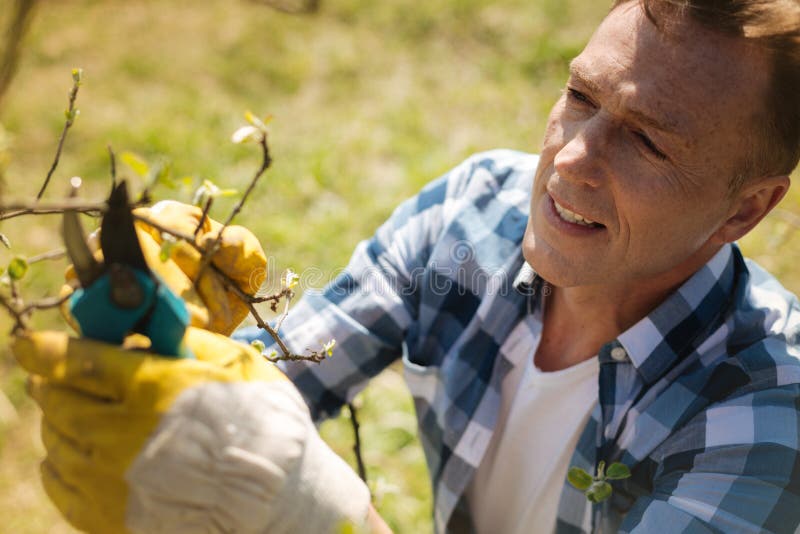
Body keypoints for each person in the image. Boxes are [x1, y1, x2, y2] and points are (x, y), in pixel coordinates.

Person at [11, 0, 800, 532]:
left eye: (650, 141)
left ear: (745, 209)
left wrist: (310, 510)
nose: (569, 157)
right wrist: (180, 339)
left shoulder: (768, 414)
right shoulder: (472, 217)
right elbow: (284, 375)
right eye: (581, 95)